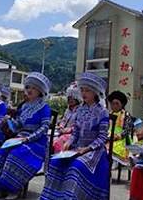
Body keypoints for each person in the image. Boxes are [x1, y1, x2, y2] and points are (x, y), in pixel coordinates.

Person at [40, 72, 110, 200]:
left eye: (87, 90)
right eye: (82, 90)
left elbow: (102, 137)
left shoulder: (103, 112)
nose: (83, 93)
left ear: (95, 92)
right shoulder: (79, 110)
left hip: (94, 151)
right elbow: (76, 132)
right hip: (77, 148)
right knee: (55, 162)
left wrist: (87, 149)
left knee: (76, 167)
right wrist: (68, 142)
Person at [0, 72, 52, 200]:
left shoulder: (44, 107)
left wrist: (28, 138)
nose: (29, 90)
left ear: (40, 91)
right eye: (28, 87)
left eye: (33, 88)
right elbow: (17, 126)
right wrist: (9, 121)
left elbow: (44, 128)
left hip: (37, 142)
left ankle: (14, 189)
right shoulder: (24, 107)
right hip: (20, 138)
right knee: (2, 151)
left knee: (15, 153)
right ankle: (1, 188)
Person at [53, 82, 80, 153]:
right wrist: (61, 126)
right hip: (62, 132)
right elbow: (63, 120)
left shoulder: (80, 110)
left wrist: (68, 130)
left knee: (58, 142)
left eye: (72, 98)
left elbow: (79, 125)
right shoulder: (67, 110)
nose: (70, 100)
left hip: (73, 134)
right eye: (69, 98)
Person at [108, 90, 134, 164]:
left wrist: (117, 137)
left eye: (117, 104)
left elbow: (127, 130)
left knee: (112, 147)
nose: (114, 106)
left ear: (122, 104)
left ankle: (114, 162)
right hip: (109, 137)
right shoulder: (109, 114)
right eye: (113, 104)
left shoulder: (126, 115)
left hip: (121, 139)